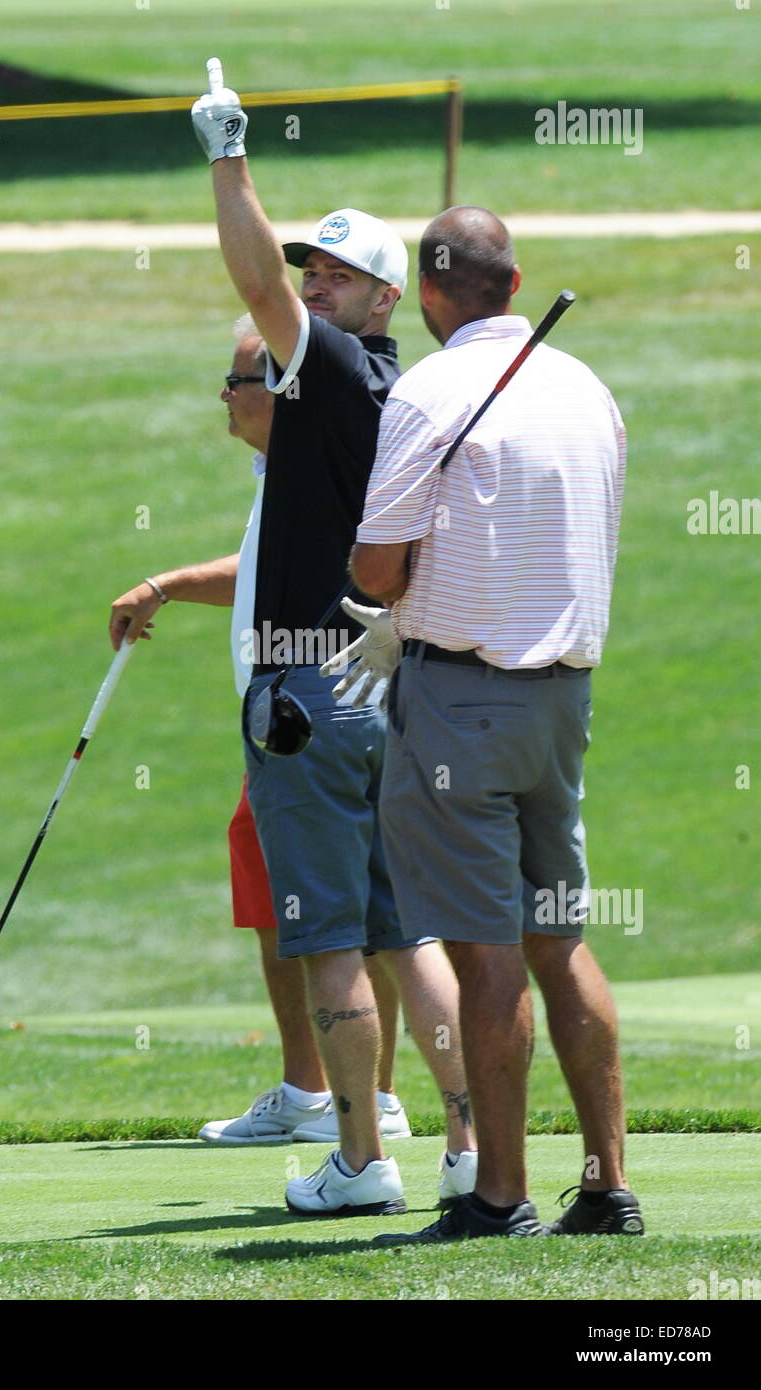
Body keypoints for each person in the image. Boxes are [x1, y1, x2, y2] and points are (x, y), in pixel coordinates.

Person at [190, 64, 477, 1216]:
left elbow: (252, 281)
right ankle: (466, 1147)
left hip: (313, 691)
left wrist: (226, 155)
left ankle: (361, 1162)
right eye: (315, 267)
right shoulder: (399, 385)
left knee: (329, 942)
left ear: (383, 298)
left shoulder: (345, 368)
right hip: (384, 686)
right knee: (408, 936)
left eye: (338, 274)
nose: (312, 284)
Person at [350, 205, 642, 1241]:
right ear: (514, 284)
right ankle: (608, 1184)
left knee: (485, 951)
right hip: (563, 702)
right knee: (557, 936)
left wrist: (404, 589)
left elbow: (375, 568)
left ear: (428, 296)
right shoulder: (588, 388)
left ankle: (499, 1194)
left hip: (458, 703)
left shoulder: (428, 389)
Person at [109, 319, 410, 1148]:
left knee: (335, 910)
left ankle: (342, 1100)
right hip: (297, 722)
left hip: (318, 721)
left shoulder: (320, 467)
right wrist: (165, 585)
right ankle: (332, 1092)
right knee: (312, 902)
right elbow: (266, 572)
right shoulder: (282, 476)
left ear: (283, 391)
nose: (225, 395)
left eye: (238, 380)